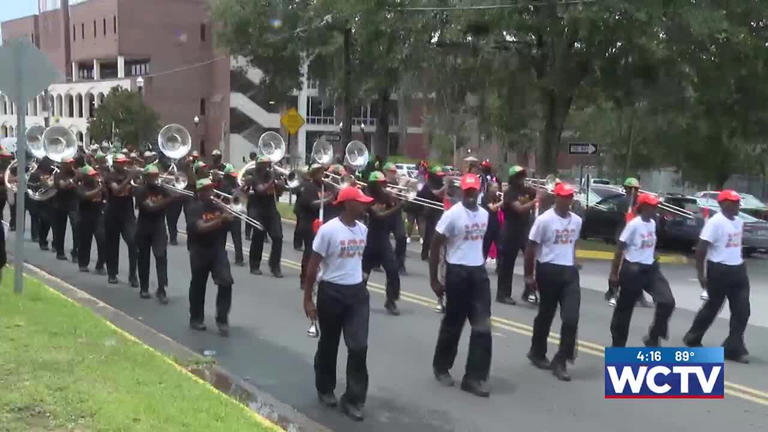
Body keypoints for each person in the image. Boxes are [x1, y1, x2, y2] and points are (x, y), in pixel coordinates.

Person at [302, 186, 373, 421]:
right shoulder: (329, 231)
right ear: (348, 204)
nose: (365, 205)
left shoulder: (363, 229)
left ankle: (353, 399)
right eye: (361, 202)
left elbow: (360, 260)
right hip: (331, 292)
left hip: (357, 294)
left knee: (359, 346)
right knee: (329, 343)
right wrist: (308, 299)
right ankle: (325, 388)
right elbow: (313, 265)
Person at [429, 173, 491, 397]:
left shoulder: (485, 214)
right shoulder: (452, 215)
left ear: (479, 190)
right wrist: (434, 279)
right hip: (457, 272)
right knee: (453, 324)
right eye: (467, 191)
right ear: (462, 191)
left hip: (478, 273)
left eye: (474, 190)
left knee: (482, 326)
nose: (471, 194)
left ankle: (474, 377)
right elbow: (435, 246)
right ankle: (441, 366)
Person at [683, 190, 750, 363]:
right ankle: (693, 337)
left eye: (737, 202)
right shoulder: (715, 222)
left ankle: (733, 347)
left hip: (738, 270)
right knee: (712, 307)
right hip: (719, 270)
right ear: (722, 204)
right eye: (733, 202)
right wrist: (701, 274)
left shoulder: (739, 222)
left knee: (742, 311)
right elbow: (701, 249)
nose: (736, 205)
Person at [524, 182, 582, 382]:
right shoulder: (544, 220)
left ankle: (561, 359)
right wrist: (529, 275)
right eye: (564, 196)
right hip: (548, 270)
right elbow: (531, 247)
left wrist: (573, 261)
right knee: (546, 314)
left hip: (569, 273)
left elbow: (573, 243)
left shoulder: (576, 221)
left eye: (570, 197)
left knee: (571, 317)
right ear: (556, 197)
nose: (567, 200)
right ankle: (537, 351)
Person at [608, 193, 676, 347]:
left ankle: (653, 337)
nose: (655, 209)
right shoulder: (634, 224)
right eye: (652, 206)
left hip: (650, 269)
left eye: (656, 206)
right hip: (633, 270)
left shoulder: (652, 223)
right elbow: (620, 249)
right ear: (643, 207)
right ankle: (618, 345)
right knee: (624, 310)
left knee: (667, 301)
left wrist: (652, 254)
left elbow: (648, 244)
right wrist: (614, 273)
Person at [186, 178, 235, 336]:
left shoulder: (218, 206)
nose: (210, 192)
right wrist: (220, 219)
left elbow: (228, 226)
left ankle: (222, 319)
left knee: (226, 281)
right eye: (206, 190)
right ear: (200, 192)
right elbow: (200, 228)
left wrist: (228, 213)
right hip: (199, 250)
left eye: (211, 189)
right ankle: (196, 318)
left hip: (217, 249)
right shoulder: (193, 208)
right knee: (198, 285)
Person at [134, 164, 180, 302]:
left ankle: (161, 289)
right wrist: (171, 198)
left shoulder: (163, 189)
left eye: (156, 175)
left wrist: (176, 193)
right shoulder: (140, 190)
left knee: (161, 256)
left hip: (159, 227)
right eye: (151, 176)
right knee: (143, 258)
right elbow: (151, 208)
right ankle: (144, 288)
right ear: (146, 177)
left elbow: (178, 199)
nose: (154, 178)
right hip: (143, 227)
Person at [363, 171, 404, 315]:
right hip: (369, 239)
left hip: (383, 239)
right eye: (380, 184)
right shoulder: (367, 198)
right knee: (363, 273)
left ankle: (391, 300)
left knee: (393, 270)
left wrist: (397, 198)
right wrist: (398, 207)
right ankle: (358, 298)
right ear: (373, 185)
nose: (383, 186)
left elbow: (394, 207)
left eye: (384, 183)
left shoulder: (385, 196)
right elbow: (378, 215)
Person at [497, 165, 538, 305]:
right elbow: (519, 209)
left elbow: (543, 196)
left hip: (524, 230)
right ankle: (503, 294)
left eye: (523, 175)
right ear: (513, 178)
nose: (522, 178)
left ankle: (529, 291)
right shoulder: (509, 192)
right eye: (519, 175)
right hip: (510, 230)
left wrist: (546, 192)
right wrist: (535, 201)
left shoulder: (527, 190)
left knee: (530, 260)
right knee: (507, 264)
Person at [295, 164, 333, 289]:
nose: (322, 175)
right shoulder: (307, 187)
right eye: (320, 172)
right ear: (313, 174)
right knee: (310, 252)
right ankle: (304, 279)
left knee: (325, 254)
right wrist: (327, 200)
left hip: (324, 223)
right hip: (309, 223)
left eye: (323, 172)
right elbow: (312, 204)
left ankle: (321, 278)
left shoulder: (327, 186)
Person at [246, 156, 285, 277]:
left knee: (278, 237)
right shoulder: (254, 176)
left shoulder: (271, 175)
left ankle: (275, 266)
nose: (266, 166)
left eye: (267, 163)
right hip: (257, 210)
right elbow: (261, 190)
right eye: (263, 164)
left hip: (271, 210)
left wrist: (281, 184)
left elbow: (279, 193)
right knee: (258, 236)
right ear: (258, 165)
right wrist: (272, 180)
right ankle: (254, 265)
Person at [105, 153, 138, 286]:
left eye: (125, 162)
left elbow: (137, 191)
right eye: (121, 162)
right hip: (112, 213)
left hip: (127, 214)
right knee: (112, 245)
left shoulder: (129, 174)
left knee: (133, 242)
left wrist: (140, 180)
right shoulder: (109, 176)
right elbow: (116, 190)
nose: (124, 164)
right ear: (114, 164)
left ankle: (133, 275)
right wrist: (129, 178)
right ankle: (112, 273)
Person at [76, 165, 107, 274]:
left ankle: (100, 265)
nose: (94, 177)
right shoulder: (80, 187)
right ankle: (83, 264)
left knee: (102, 239)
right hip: (85, 217)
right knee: (85, 241)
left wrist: (103, 190)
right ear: (85, 177)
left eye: (94, 175)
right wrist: (98, 189)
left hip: (98, 216)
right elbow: (84, 196)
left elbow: (106, 198)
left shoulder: (99, 185)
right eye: (91, 175)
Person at [215, 163, 245, 266]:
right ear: (227, 175)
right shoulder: (223, 184)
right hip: (225, 213)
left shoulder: (235, 183)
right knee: (222, 237)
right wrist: (242, 188)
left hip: (234, 212)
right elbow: (232, 192)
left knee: (237, 238)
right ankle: (220, 257)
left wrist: (244, 187)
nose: (234, 177)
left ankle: (239, 259)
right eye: (232, 176)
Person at [51, 157, 79, 261]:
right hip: (60, 204)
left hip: (73, 204)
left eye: (72, 163)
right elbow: (62, 186)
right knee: (60, 229)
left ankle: (75, 252)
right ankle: (60, 252)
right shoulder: (58, 175)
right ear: (63, 164)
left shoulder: (75, 173)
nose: (71, 165)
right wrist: (73, 179)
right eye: (68, 163)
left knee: (76, 227)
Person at [383, 163, 408, 274]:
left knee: (402, 236)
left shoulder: (399, 183)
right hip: (384, 213)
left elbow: (406, 198)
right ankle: (375, 262)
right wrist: (400, 186)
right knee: (380, 238)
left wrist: (405, 192)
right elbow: (390, 194)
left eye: (395, 172)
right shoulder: (382, 183)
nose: (394, 174)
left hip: (396, 215)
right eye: (391, 172)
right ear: (385, 171)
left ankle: (400, 264)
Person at [418, 165, 446, 261]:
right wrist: (446, 187)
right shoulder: (429, 184)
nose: (441, 177)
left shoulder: (440, 183)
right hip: (429, 210)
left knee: (431, 233)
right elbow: (437, 194)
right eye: (439, 176)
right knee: (430, 233)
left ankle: (427, 254)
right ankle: (428, 254)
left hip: (438, 210)